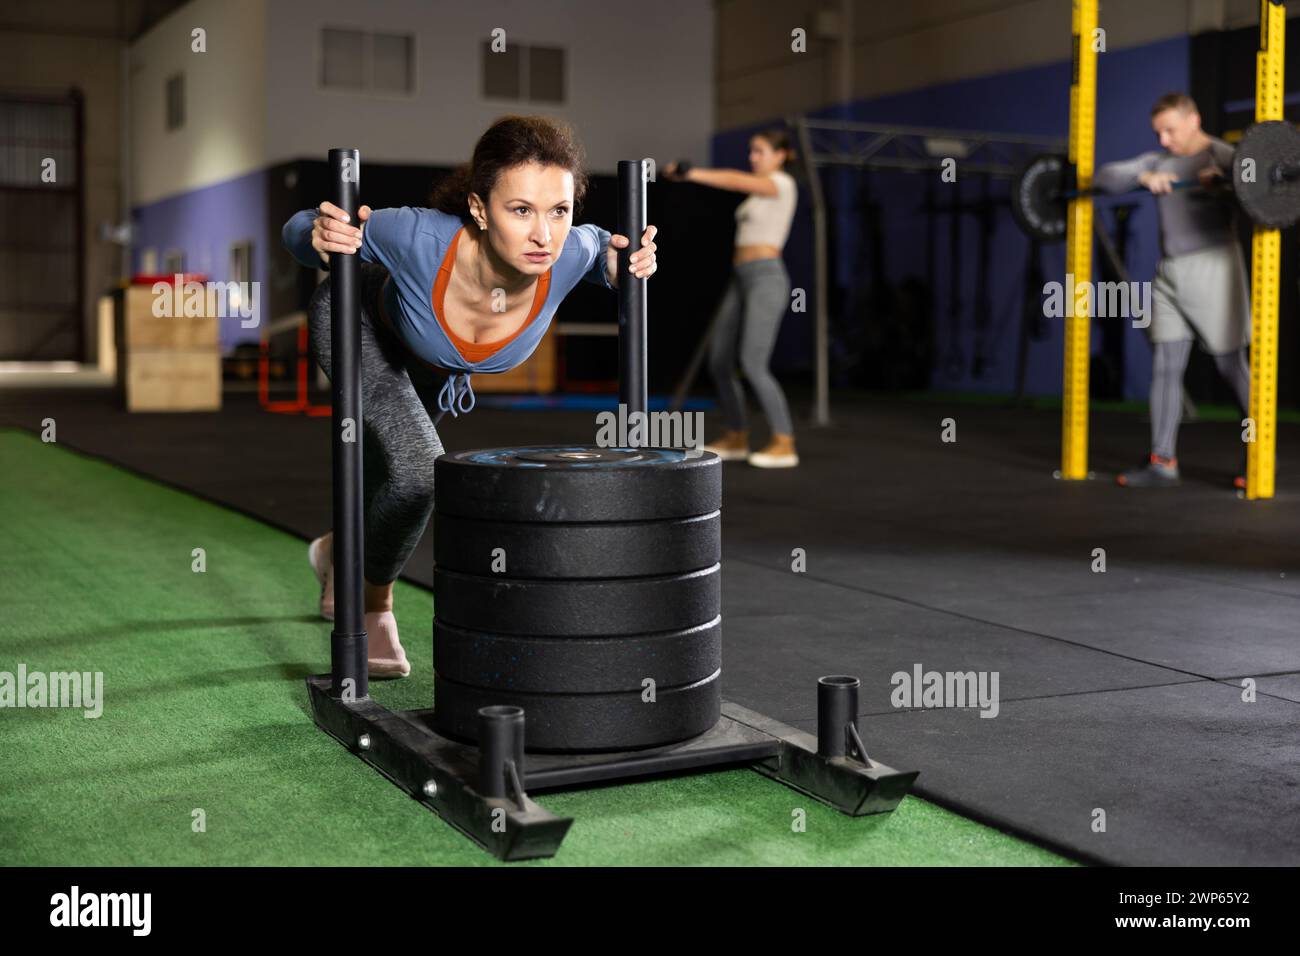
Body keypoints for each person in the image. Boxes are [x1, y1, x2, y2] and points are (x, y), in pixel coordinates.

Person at [282, 115, 658, 677]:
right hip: (360, 326)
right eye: (521, 210)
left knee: (386, 477)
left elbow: (603, 245)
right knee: (417, 474)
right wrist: (316, 234)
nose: (543, 235)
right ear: (480, 209)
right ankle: (375, 603)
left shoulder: (568, 253)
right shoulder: (419, 235)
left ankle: (337, 553)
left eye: (559, 210)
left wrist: (620, 263)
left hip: (430, 361)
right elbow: (301, 227)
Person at [1094, 93, 1252, 489]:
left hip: (1214, 265)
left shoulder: (1223, 155)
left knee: (1230, 366)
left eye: (1170, 130)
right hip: (1169, 273)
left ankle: (1259, 452)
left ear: (1193, 119)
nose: (1164, 139)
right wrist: (1143, 178)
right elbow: (1102, 177)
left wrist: (1225, 186)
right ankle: (1162, 461)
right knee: (1165, 363)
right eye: (1158, 132)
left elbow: (1262, 194)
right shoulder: (1158, 162)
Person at [665, 128, 800, 468]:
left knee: (753, 363)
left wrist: (691, 173)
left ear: (780, 155)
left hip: (767, 276)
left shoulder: (782, 184)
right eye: (751, 152)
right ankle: (737, 435)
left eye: (760, 151)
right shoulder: (759, 196)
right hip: (740, 278)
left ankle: (784, 441)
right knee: (720, 361)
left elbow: (734, 180)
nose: (753, 157)